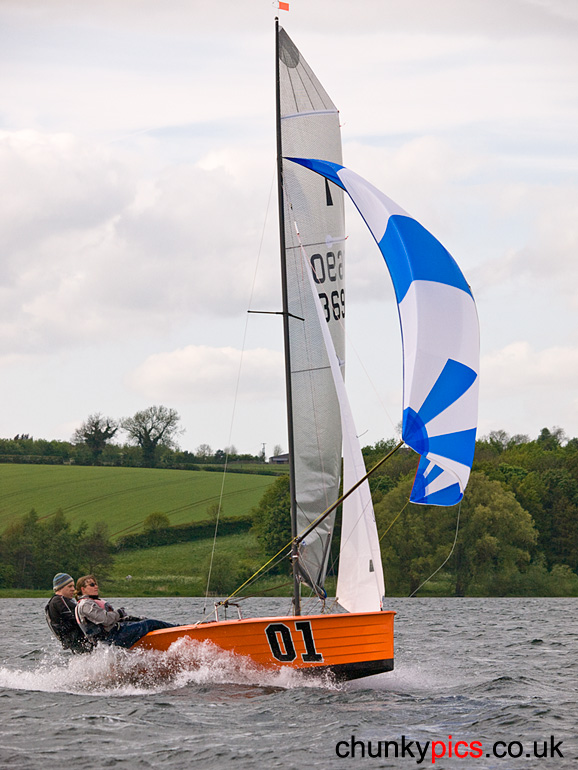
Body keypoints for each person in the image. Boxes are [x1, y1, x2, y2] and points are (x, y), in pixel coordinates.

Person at [74, 575, 175, 649]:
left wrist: (126, 618)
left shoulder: (88, 603)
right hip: (112, 638)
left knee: (141, 620)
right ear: (83, 589)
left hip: (111, 637)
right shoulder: (86, 605)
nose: (96, 587)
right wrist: (119, 613)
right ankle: (178, 630)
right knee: (149, 624)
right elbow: (106, 620)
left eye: (96, 584)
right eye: (92, 585)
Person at [45, 572, 94, 654]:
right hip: (78, 638)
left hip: (73, 641)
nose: (73, 589)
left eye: (73, 586)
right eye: (70, 586)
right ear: (60, 588)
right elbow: (76, 618)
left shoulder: (54, 602)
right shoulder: (59, 600)